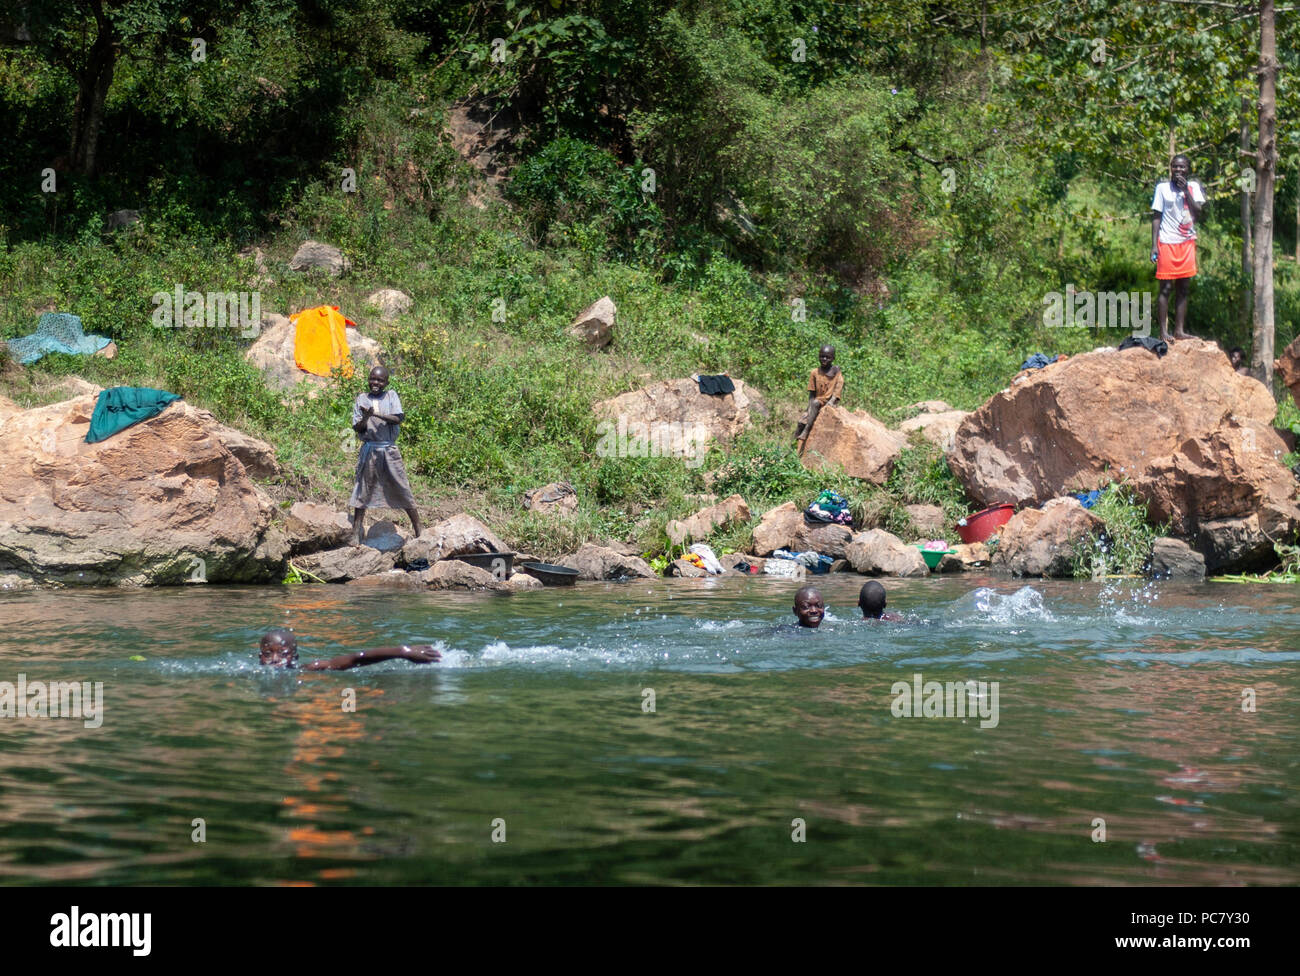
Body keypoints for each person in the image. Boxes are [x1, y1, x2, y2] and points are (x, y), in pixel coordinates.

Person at [350, 366, 422, 545]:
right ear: (368, 379)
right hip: (370, 449)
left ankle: (419, 529)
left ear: (386, 383)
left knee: (401, 486)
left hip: (389, 449)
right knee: (362, 489)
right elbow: (357, 427)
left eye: (380, 380)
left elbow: (398, 418)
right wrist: (366, 418)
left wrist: (376, 414)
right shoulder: (362, 398)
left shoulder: (391, 396)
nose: (376, 383)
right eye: (373, 379)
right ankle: (355, 532)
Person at [1149, 155, 1206, 342]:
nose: (1178, 170)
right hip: (1166, 242)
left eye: (1182, 167)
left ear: (1188, 169)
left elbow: (1198, 212)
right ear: (1171, 168)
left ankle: (1179, 330)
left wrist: (1186, 192)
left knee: (1183, 288)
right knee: (1165, 288)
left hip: (1187, 242)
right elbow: (1156, 216)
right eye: (1175, 167)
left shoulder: (1194, 188)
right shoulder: (1162, 188)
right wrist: (1153, 245)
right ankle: (1163, 332)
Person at [259, 629, 441, 670]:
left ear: (294, 657)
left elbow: (355, 658)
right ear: (260, 657)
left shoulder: (305, 670)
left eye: (283, 653)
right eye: (268, 654)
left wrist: (403, 652)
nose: (275, 659)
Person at [794, 345, 843, 451]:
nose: (824, 359)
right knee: (801, 422)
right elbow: (811, 394)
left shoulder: (836, 372)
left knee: (816, 403)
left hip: (829, 401)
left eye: (827, 357)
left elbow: (838, 387)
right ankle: (792, 446)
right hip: (816, 401)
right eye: (822, 356)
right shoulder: (814, 372)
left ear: (833, 358)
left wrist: (832, 401)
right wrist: (808, 410)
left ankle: (807, 430)